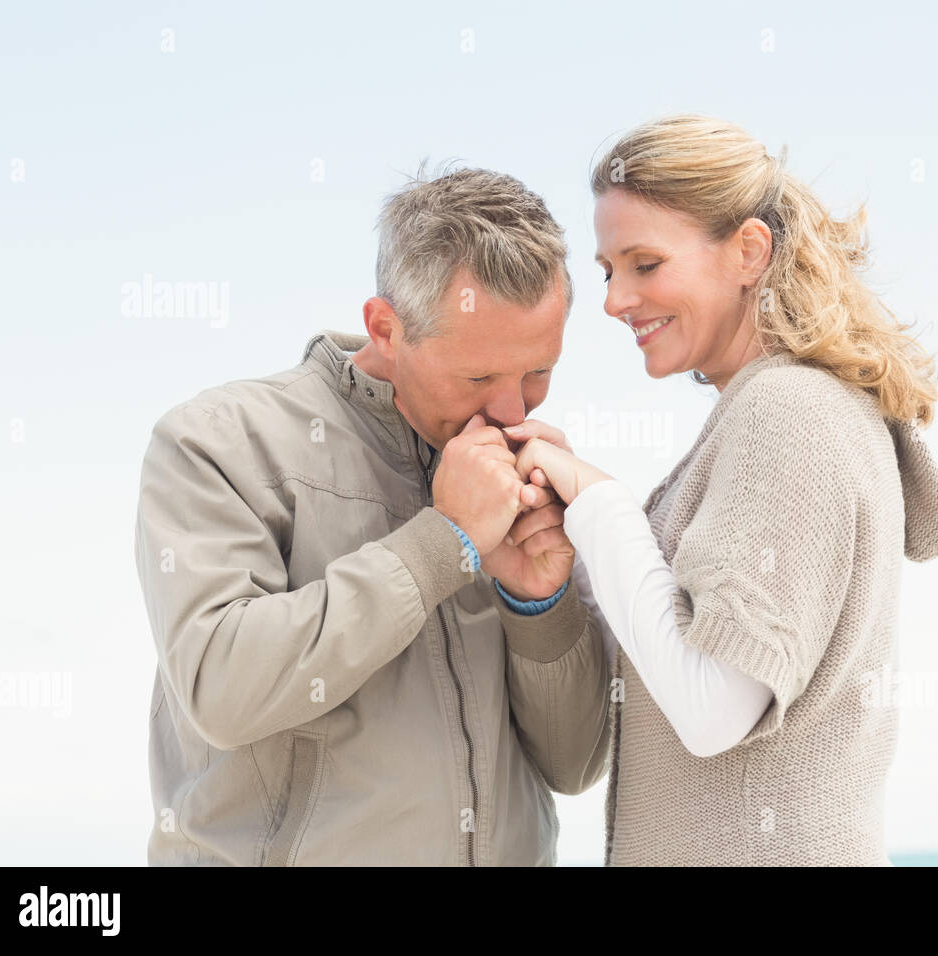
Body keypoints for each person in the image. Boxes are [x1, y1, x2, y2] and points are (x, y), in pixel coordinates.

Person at [510, 114, 938, 865]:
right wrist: (570, 550)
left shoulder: (788, 414)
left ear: (748, 252)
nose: (616, 299)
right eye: (606, 270)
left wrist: (601, 502)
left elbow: (713, 707)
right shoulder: (788, 411)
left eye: (645, 264)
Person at [133, 166, 610, 865]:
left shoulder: (519, 478)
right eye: (479, 377)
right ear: (386, 328)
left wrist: (539, 602)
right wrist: (442, 544)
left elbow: (574, 765)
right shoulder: (216, 441)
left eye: (538, 370)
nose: (515, 410)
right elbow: (223, 689)